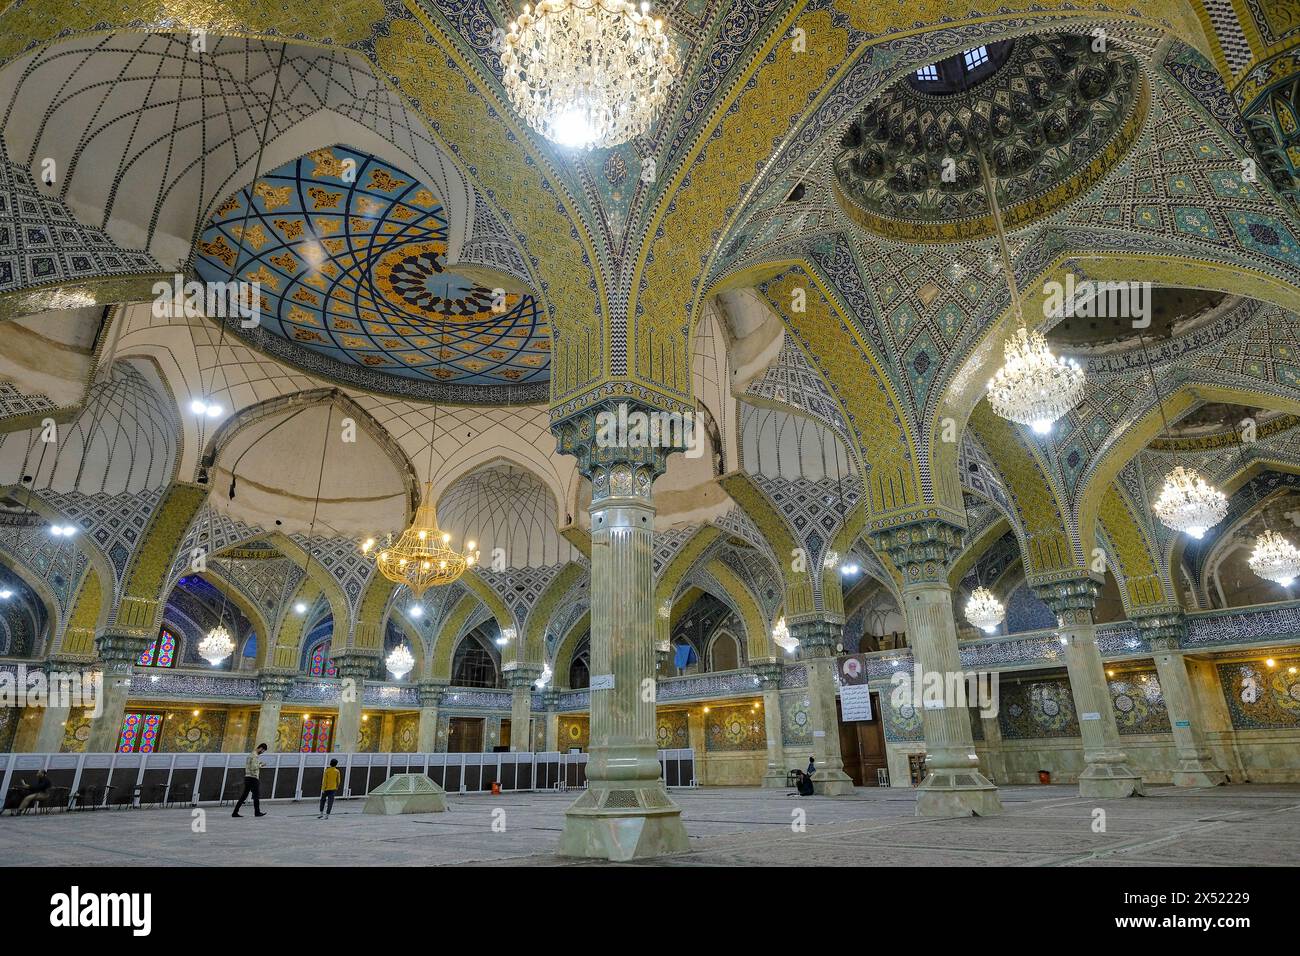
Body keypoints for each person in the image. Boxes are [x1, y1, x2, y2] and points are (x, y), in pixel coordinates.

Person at [232, 743, 268, 818]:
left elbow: (251, 765)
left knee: (244, 796)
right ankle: (257, 812)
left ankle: (235, 812)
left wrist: (258, 763)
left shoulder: (251, 755)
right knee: (256, 795)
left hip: (248, 777)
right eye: (263, 751)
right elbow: (253, 767)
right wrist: (261, 765)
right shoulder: (254, 756)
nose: (262, 752)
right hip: (253, 778)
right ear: (261, 748)